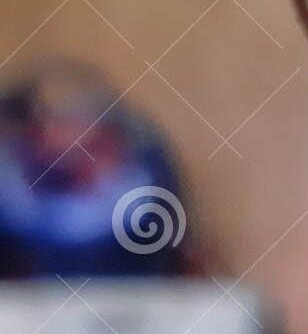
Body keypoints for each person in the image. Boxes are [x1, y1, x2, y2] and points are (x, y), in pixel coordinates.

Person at [0, 61, 194, 278]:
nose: (59, 136)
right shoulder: (16, 202)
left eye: (71, 121)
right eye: (46, 125)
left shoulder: (148, 189)